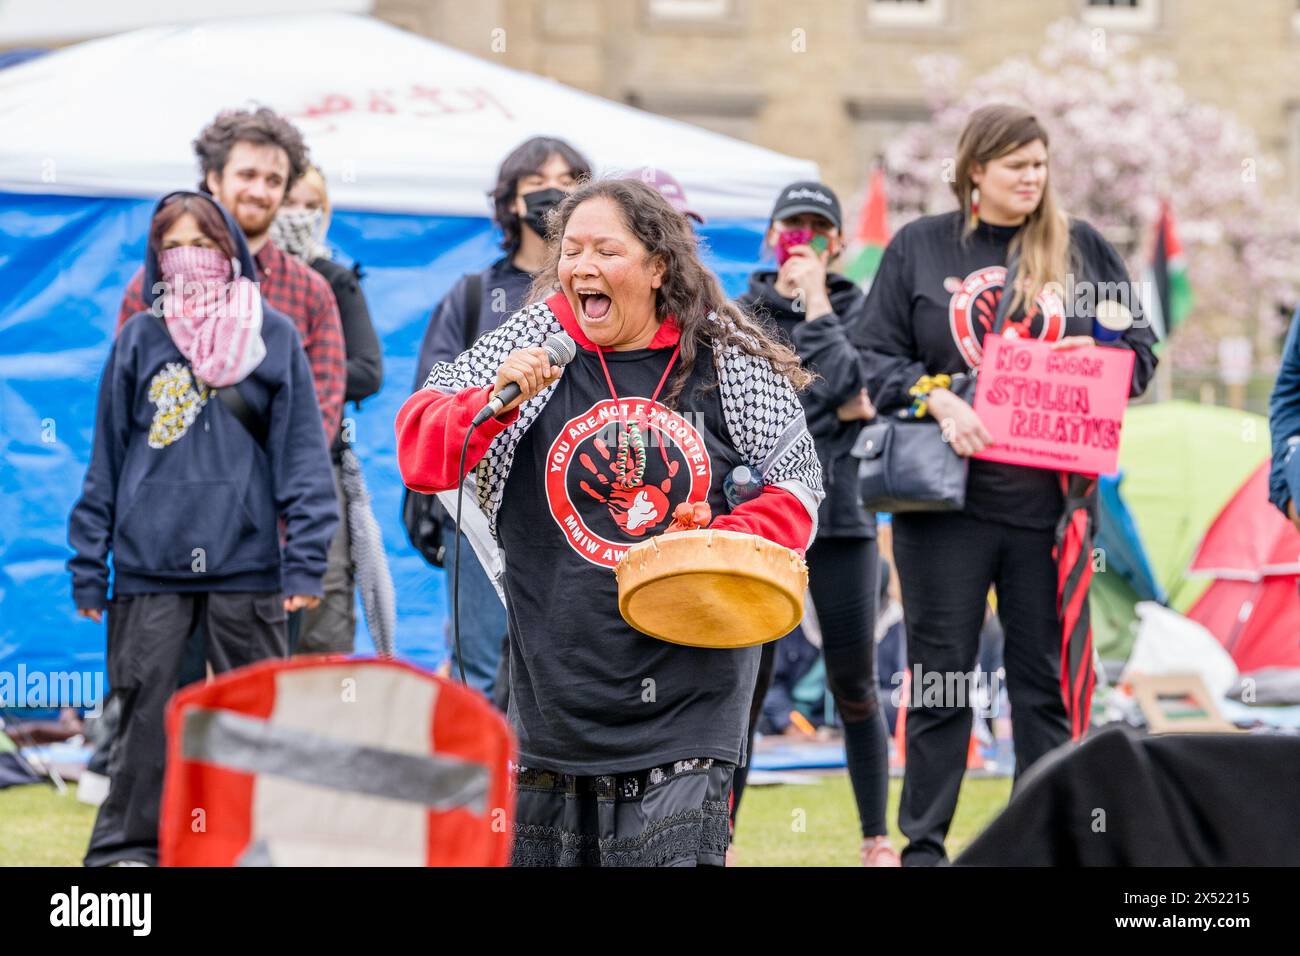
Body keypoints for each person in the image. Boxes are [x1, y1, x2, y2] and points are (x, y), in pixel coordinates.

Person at [396, 178, 824, 866]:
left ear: (658, 268)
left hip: (693, 682)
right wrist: (495, 404)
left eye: (606, 250)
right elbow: (422, 451)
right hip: (562, 684)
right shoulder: (536, 342)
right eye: (571, 250)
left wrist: (716, 542)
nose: (581, 266)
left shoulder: (723, 354)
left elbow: (797, 487)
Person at [854, 103, 1158, 866]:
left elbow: (1142, 358)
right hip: (943, 509)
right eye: (1017, 164)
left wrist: (1096, 348)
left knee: (1043, 686)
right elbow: (870, 358)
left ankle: (1042, 845)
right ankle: (924, 845)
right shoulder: (921, 248)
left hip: (1050, 514)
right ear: (974, 171)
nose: (1033, 178)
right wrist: (940, 396)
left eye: (1041, 164)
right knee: (943, 683)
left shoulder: (1080, 248)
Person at [69, 191, 339, 866]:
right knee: (145, 722)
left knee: (257, 722)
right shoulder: (139, 337)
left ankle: (259, 845)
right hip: (147, 572)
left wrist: (306, 559)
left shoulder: (272, 335)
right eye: (174, 245)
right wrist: (87, 563)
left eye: (207, 244)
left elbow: (303, 456)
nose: (191, 259)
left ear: (233, 252)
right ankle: (128, 853)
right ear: (157, 259)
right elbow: (106, 456)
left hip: (249, 569)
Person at [115, 107, 346, 649]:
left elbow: (318, 427)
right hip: (165, 551)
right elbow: (129, 421)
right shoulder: (150, 289)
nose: (260, 191)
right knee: (170, 712)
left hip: (265, 548)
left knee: (257, 712)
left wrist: (294, 544)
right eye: (247, 174)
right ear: (214, 179)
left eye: (274, 180)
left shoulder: (310, 294)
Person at [732, 181, 896, 865]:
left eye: (819, 230)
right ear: (774, 237)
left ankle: (875, 839)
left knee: (854, 683)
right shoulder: (742, 313)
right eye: (793, 228)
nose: (805, 240)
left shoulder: (860, 309)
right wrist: (839, 399)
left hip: (843, 519)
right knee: (744, 683)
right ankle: (724, 837)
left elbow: (854, 387)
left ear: (839, 243)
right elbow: (773, 401)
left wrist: (821, 306)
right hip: (765, 516)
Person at [408, 136, 592, 701]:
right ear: (511, 202)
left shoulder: (594, 292)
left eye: (568, 181)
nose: (553, 194)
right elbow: (431, 401)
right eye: (536, 184)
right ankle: (487, 790)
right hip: (482, 508)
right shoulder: (474, 295)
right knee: (481, 677)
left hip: (576, 502)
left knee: (561, 672)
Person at [272, 165, 385, 653]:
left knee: (324, 595)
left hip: (321, 465)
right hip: (245, 469)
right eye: (288, 201)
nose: (298, 214)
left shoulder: (333, 280)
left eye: (310, 204)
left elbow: (368, 370)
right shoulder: (237, 279)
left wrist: (297, 368)